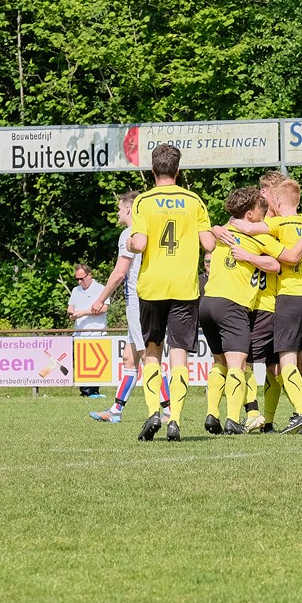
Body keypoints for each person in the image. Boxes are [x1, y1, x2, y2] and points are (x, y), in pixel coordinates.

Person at [201, 187, 302, 435]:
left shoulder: (222, 232)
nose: (263, 218)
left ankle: (212, 414)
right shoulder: (260, 237)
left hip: (207, 302)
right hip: (234, 304)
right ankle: (232, 420)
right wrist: (251, 255)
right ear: (250, 215)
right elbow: (279, 262)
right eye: (260, 213)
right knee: (240, 363)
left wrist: (216, 228)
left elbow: (207, 236)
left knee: (220, 362)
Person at [130, 143, 215, 442]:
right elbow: (210, 244)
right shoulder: (194, 201)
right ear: (178, 170)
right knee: (180, 356)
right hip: (184, 287)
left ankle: (154, 409)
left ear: (152, 170)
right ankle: (175, 419)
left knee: (151, 352)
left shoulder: (143, 201)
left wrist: (129, 243)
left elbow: (139, 244)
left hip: (152, 286)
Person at [88, 192, 170, 424]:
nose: (117, 213)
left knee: (148, 357)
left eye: (119, 208)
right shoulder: (150, 233)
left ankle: (168, 409)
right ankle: (116, 410)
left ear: (128, 210)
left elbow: (119, 273)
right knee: (129, 359)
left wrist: (101, 298)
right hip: (147, 299)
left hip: (138, 300)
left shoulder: (129, 233)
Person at [67, 263, 108, 398]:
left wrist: (83, 313)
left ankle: (93, 391)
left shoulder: (101, 289)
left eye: (82, 279)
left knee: (95, 363)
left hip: (96, 332)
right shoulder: (75, 290)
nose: (80, 282)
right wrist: (72, 313)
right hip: (79, 334)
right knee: (80, 364)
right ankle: (85, 392)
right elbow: (70, 307)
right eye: (77, 279)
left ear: (89, 275)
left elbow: (104, 308)